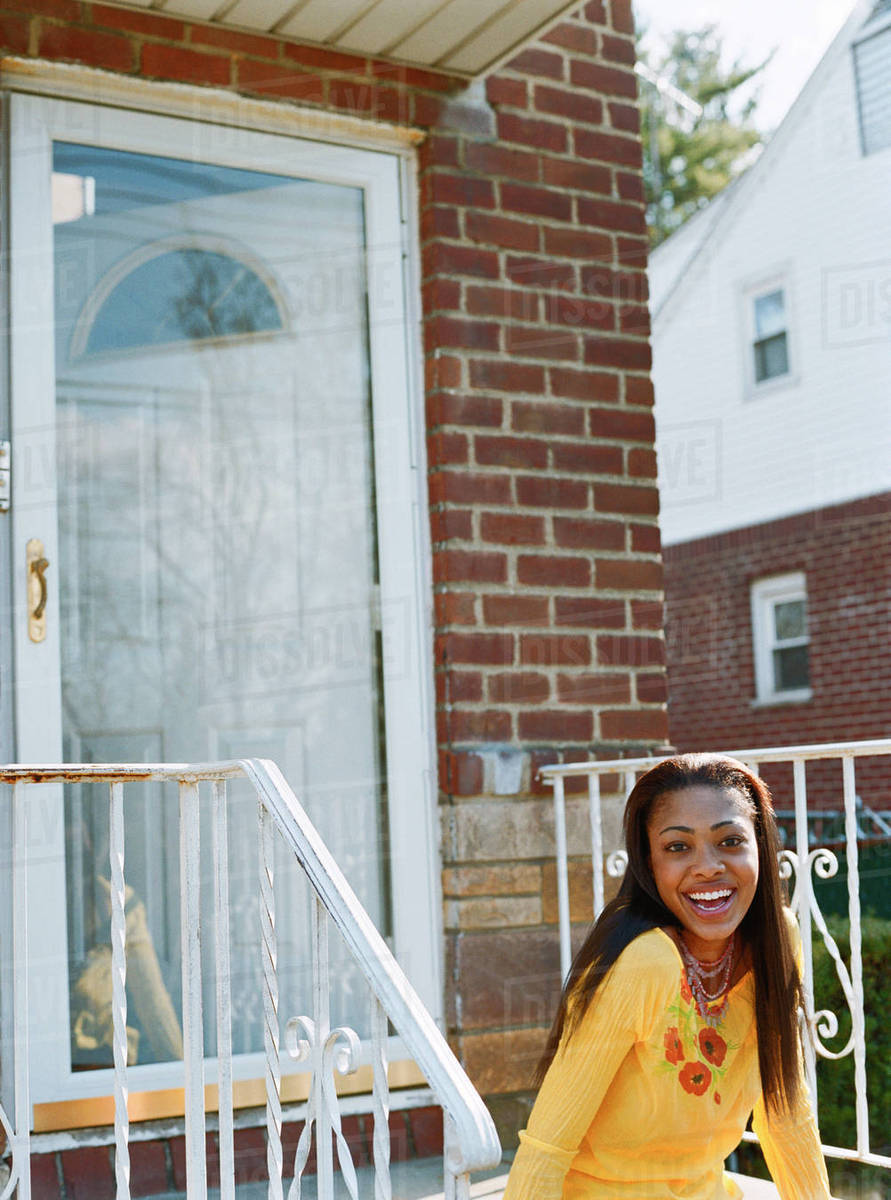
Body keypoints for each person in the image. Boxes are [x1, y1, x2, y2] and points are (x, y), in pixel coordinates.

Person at [502, 753, 832, 1200]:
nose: (708, 866)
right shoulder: (644, 962)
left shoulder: (775, 941)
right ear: (648, 862)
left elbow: (785, 1115)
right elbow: (548, 1145)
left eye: (730, 841)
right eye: (678, 847)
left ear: (761, 845)